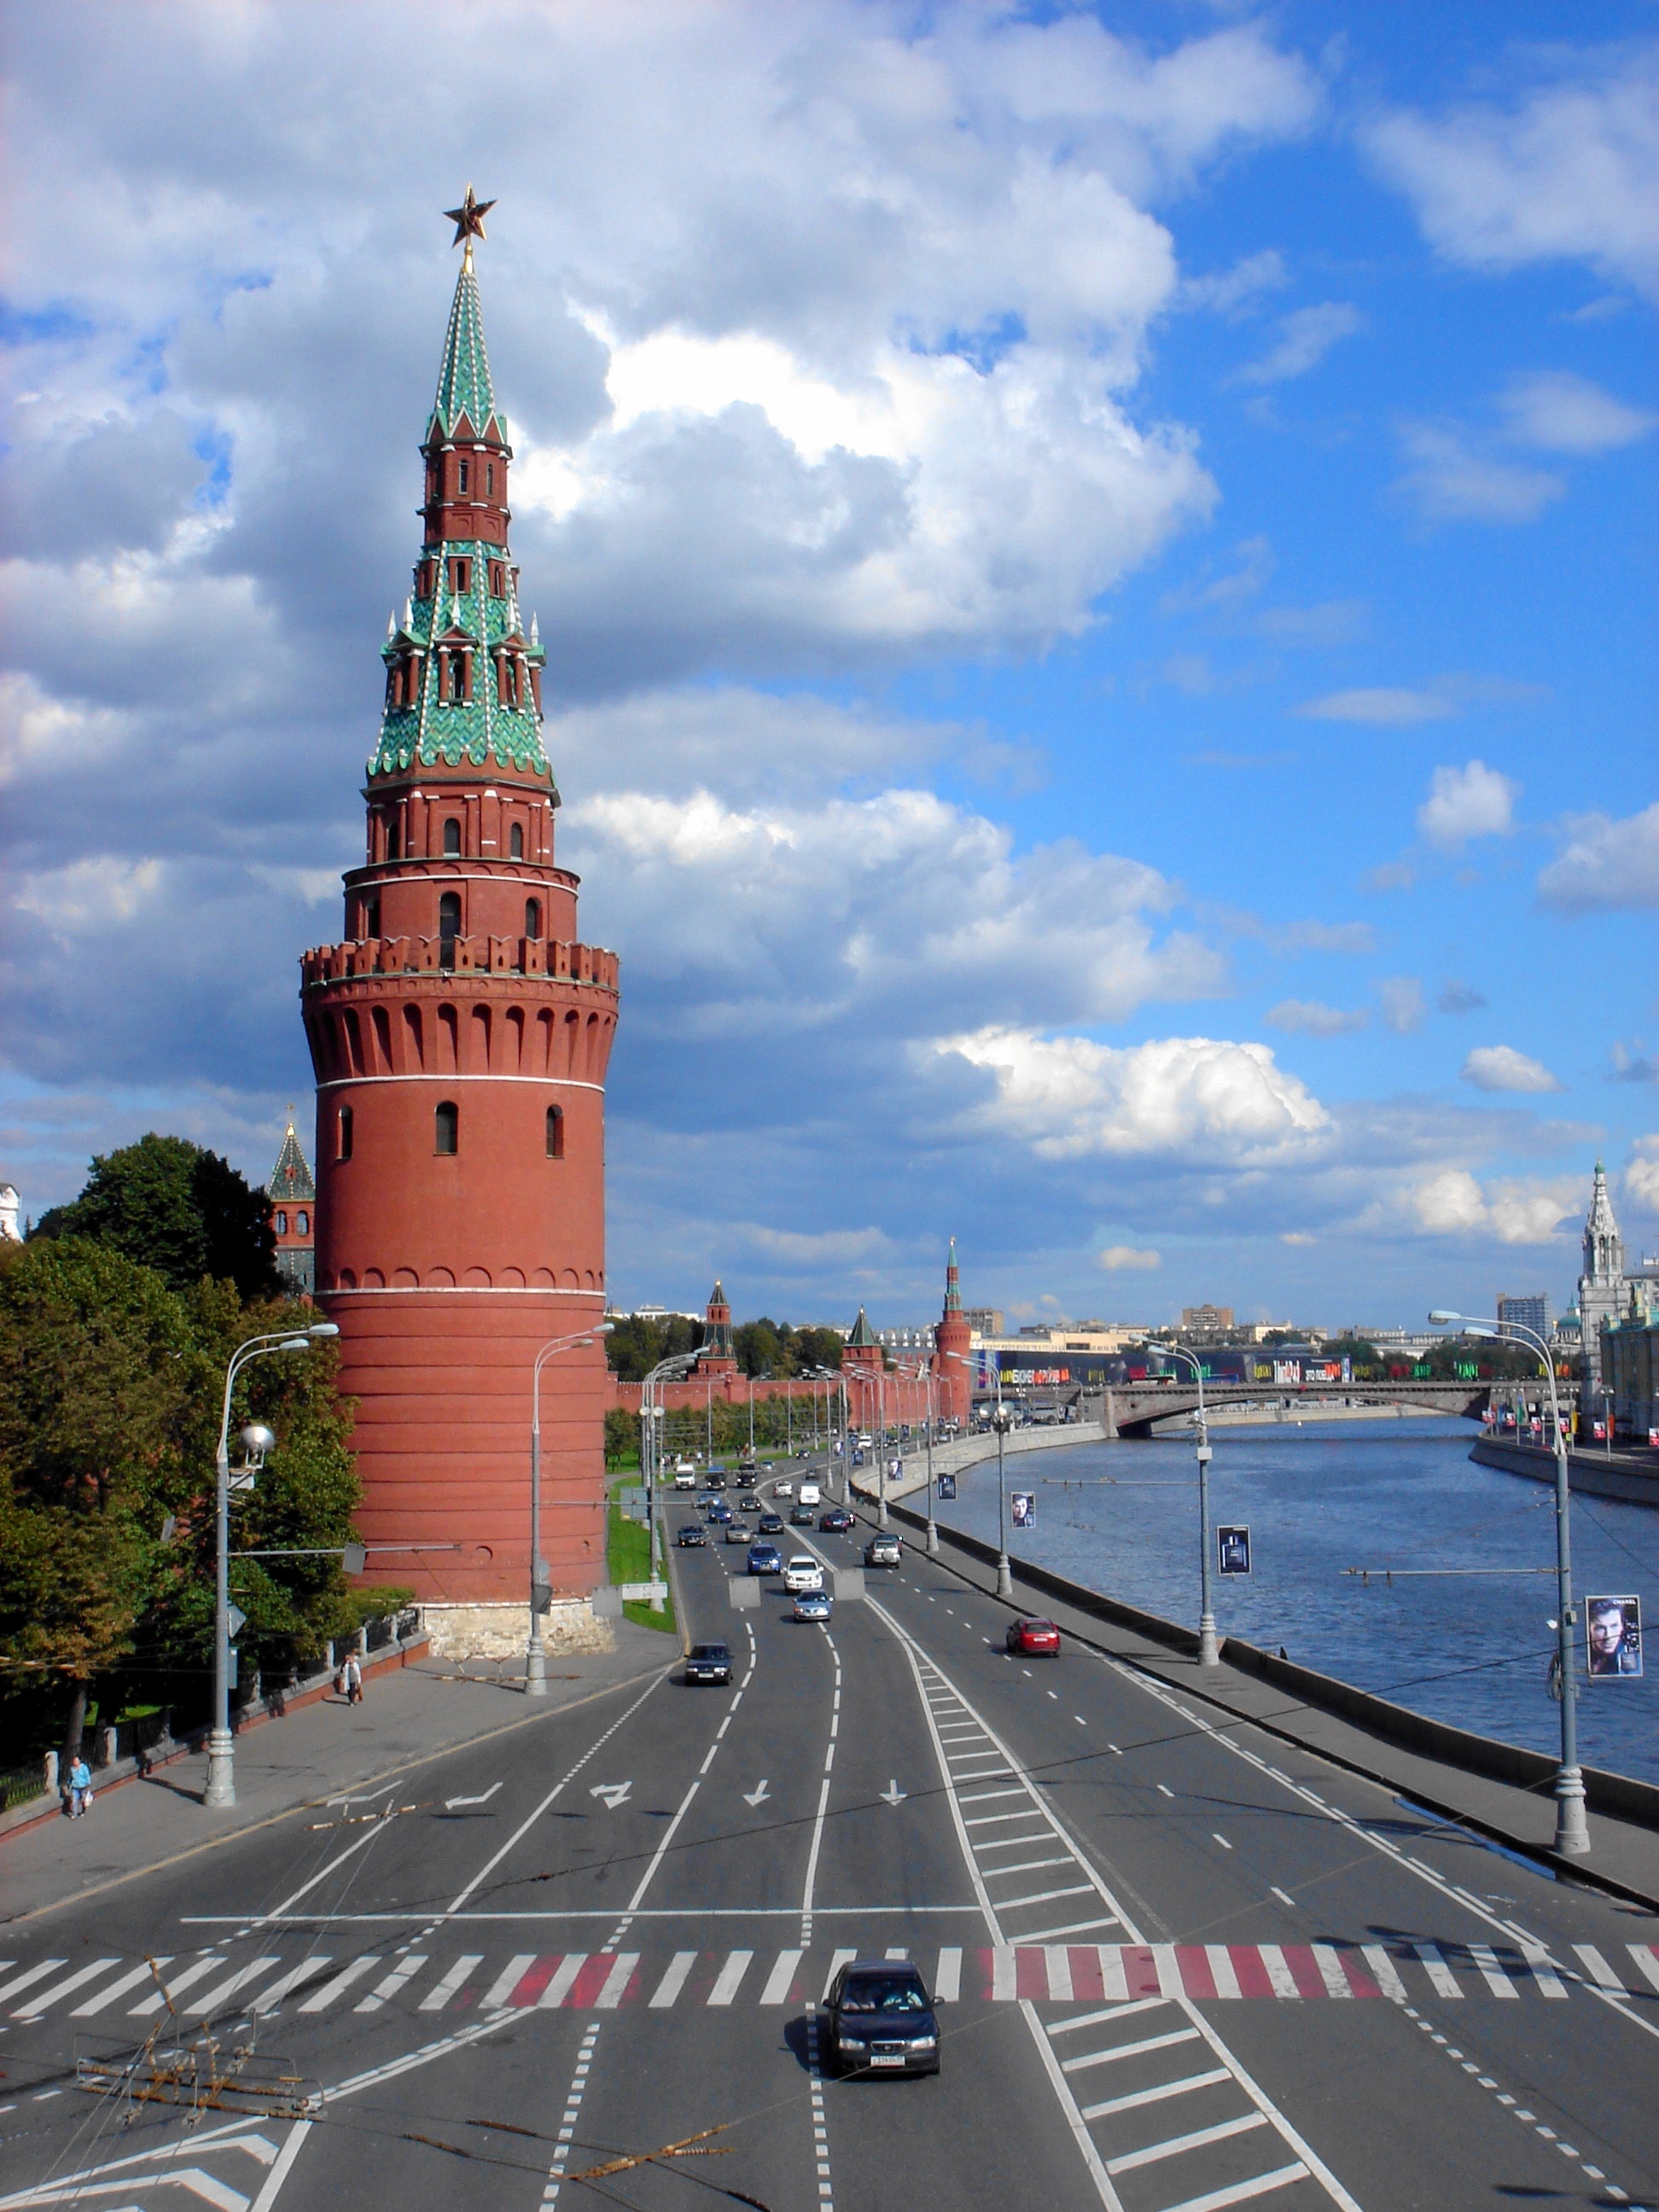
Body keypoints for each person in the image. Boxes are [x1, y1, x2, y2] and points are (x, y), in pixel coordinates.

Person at [1587, 1597, 1642, 1677]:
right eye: (1600, 1628)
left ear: (1621, 1627)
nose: (1608, 1636)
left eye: (1614, 1626)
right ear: (1589, 1628)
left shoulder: (1633, 1664)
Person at [66, 1754, 93, 1819]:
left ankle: (83, 1810)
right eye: (74, 1761)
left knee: (83, 1800)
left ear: (79, 1761)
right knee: (74, 1801)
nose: (75, 1762)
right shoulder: (72, 1769)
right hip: (75, 1787)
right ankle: (74, 1814)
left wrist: (88, 1783)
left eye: (76, 1760)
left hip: (83, 1786)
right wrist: (69, 1783)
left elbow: (87, 1776)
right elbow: (70, 1777)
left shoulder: (84, 1768)